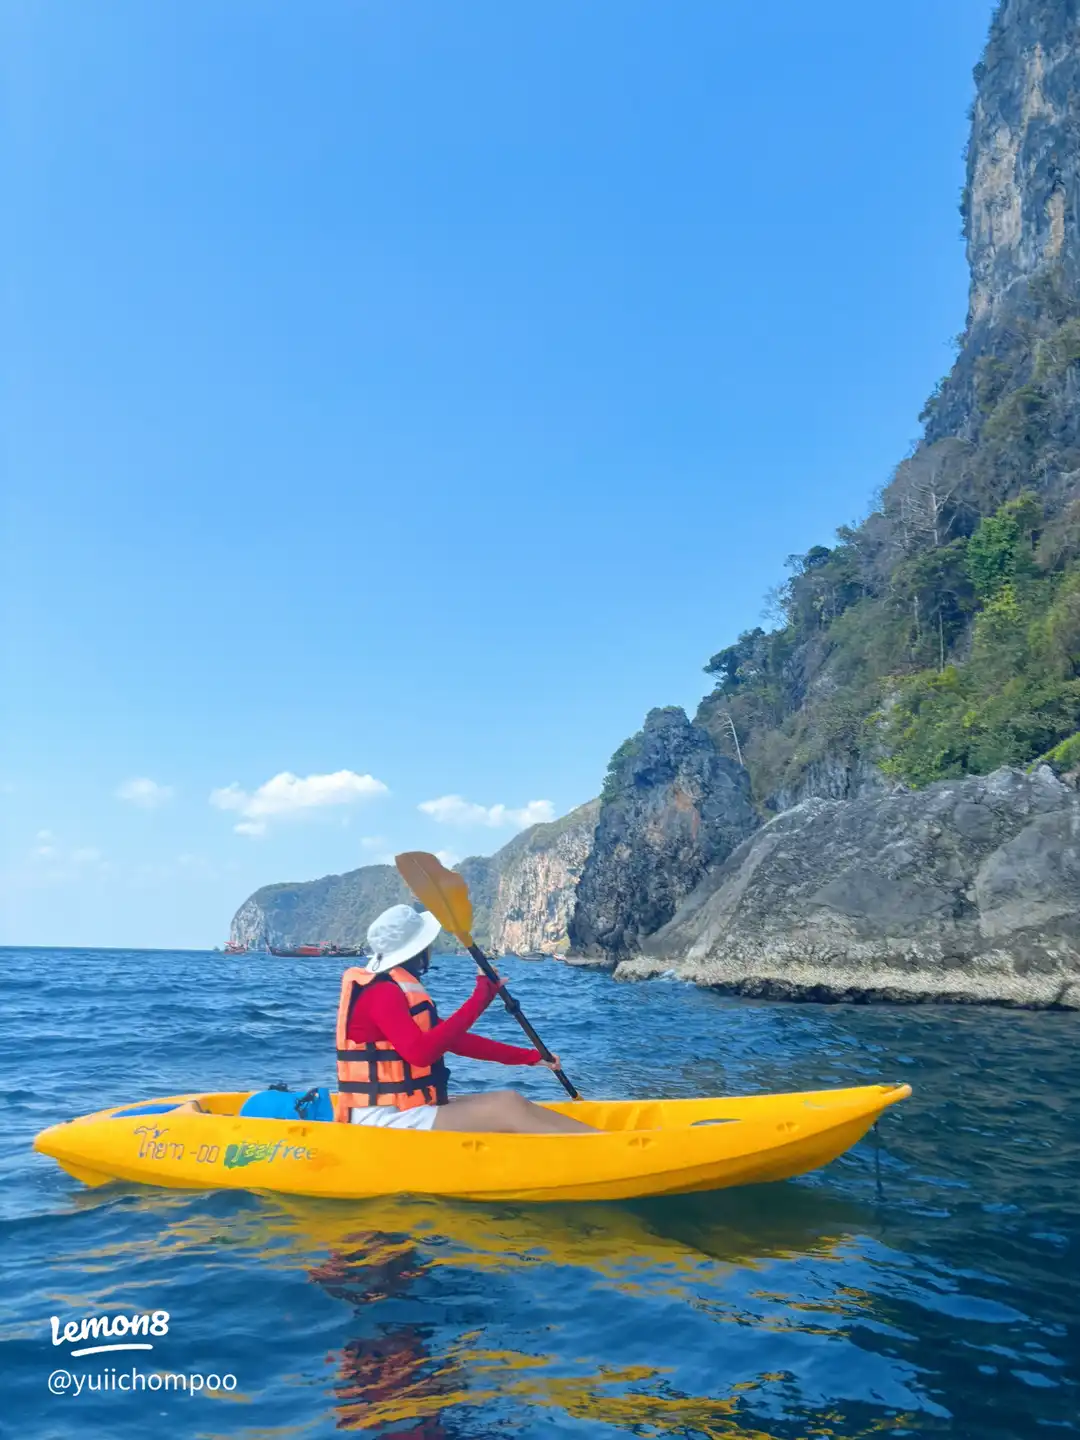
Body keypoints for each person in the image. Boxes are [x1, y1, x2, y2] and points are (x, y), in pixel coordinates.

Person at [335, 904, 595, 1134]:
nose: (430, 949)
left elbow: (456, 1041)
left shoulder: (393, 988)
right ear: (416, 950)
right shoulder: (382, 992)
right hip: (381, 1118)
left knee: (510, 1099)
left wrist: (530, 1057)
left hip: (403, 1109)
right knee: (506, 1109)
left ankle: (601, 1140)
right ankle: (603, 1150)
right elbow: (420, 1054)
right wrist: (481, 997)